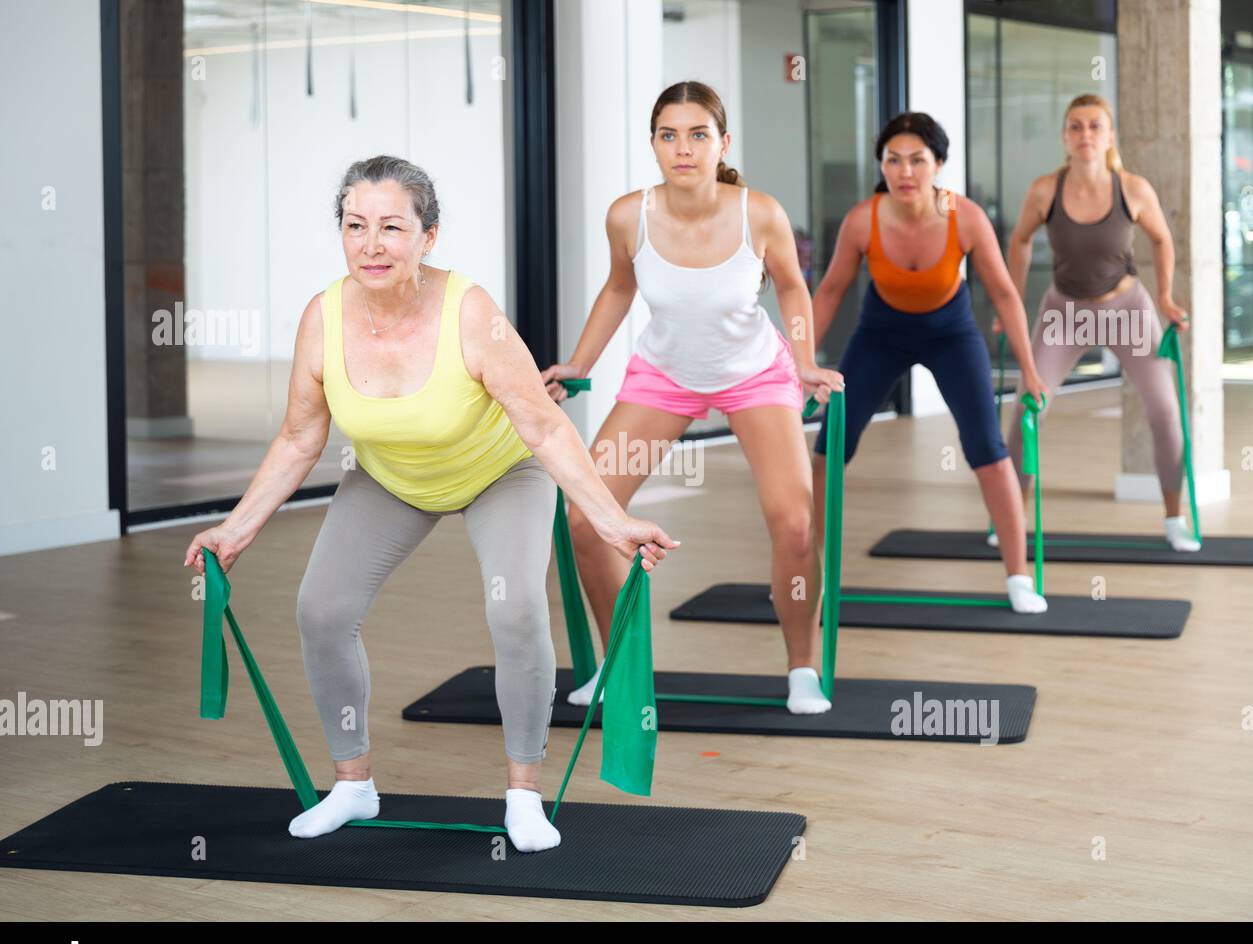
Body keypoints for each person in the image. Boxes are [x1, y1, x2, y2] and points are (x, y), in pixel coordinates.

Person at [183, 155, 678, 852]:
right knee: (321, 610)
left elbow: (541, 423)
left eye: (392, 227)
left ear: (428, 236)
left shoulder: (470, 313)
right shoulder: (323, 318)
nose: (372, 244)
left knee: (515, 608)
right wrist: (234, 530)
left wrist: (611, 518)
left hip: (500, 471)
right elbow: (299, 437)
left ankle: (523, 794)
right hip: (391, 476)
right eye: (355, 226)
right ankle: (353, 784)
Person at [541, 81, 844, 714]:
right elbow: (619, 289)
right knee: (584, 519)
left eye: (698, 135)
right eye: (668, 135)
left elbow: (791, 287)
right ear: (653, 143)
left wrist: (804, 361)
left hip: (755, 375)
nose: (683, 149)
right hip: (664, 375)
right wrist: (580, 362)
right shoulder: (629, 215)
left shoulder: (759, 212)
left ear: (722, 142)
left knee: (794, 524)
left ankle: (802, 669)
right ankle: (617, 665)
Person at [810, 112, 1051, 613]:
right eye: (893, 160)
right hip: (881, 334)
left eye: (917, 160)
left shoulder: (964, 216)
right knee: (833, 441)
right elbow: (829, 293)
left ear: (938, 164)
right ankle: (807, 572)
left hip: (951, 334)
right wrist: (799, 361)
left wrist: (1029, 371)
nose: (905, 171)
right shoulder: (864, 219)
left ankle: (1018, 577)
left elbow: (1005, 295)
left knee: (987, 446)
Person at [998, 93, 1196, 550]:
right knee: (1029, 409)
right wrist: (1010, 298)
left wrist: (1164, 297)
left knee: (1166, 412)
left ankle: (1173, 519)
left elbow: (1163, 241)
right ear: (1064, 137)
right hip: (1064, 312)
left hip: (1126, 309)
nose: (1085, 134)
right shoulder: (1046, 190)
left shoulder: (1132, 188)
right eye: (1076, 126)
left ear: (1109, 137)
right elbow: (1021, 240)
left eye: (1094, 126)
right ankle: (1008, 520)